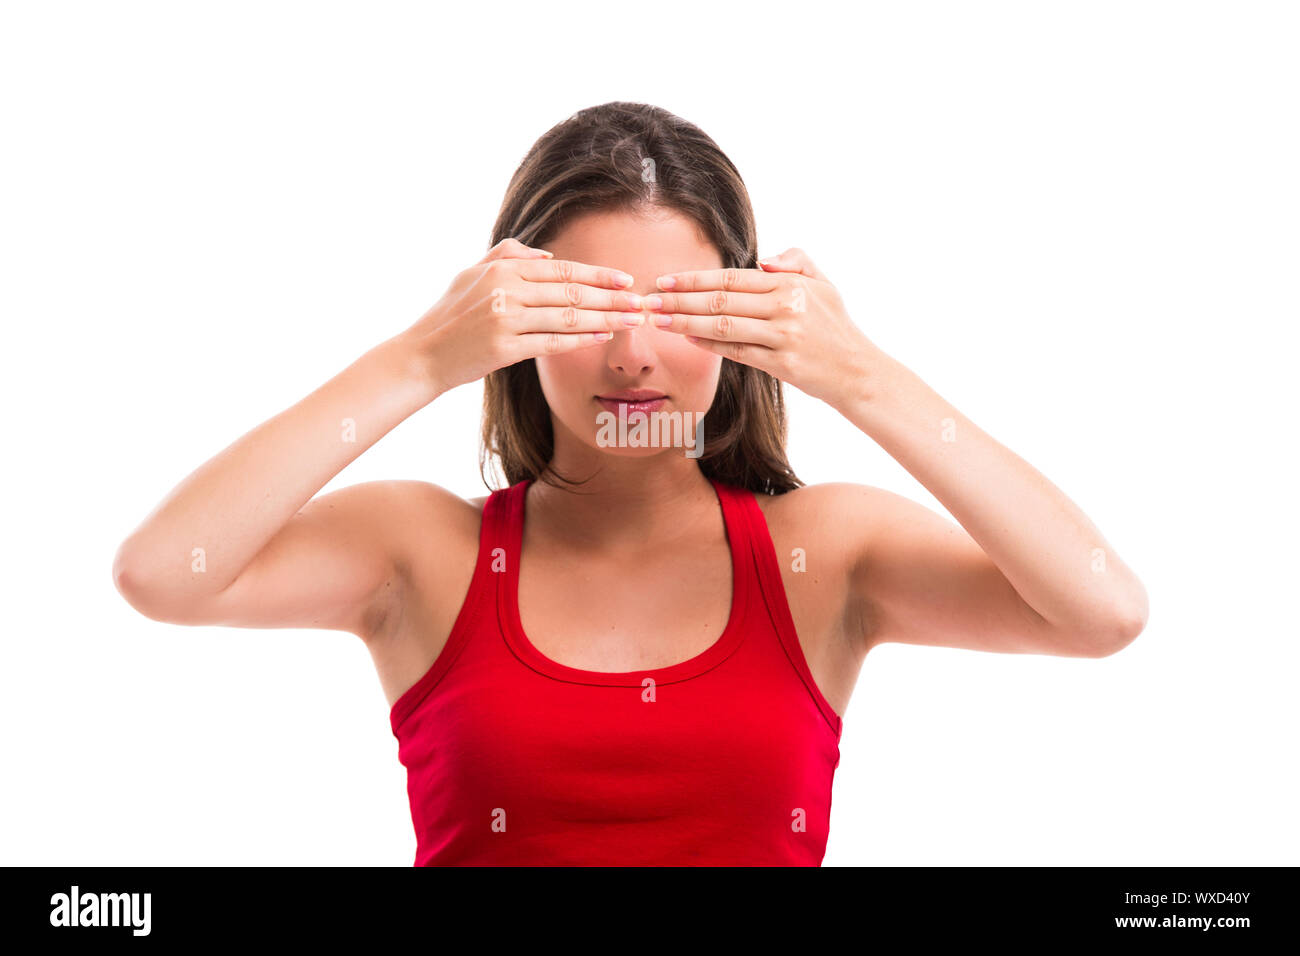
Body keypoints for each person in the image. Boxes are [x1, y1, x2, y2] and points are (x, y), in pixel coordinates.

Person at [111, 101, 1148, 866]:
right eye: (587, 306)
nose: (632, 355)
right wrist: (423, 356)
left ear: (745, 320)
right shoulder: (421, 552)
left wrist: (863, 374)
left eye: (675, 306)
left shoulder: (820, 555)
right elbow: (165, 572)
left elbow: (1100, 607)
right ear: (511, 317)